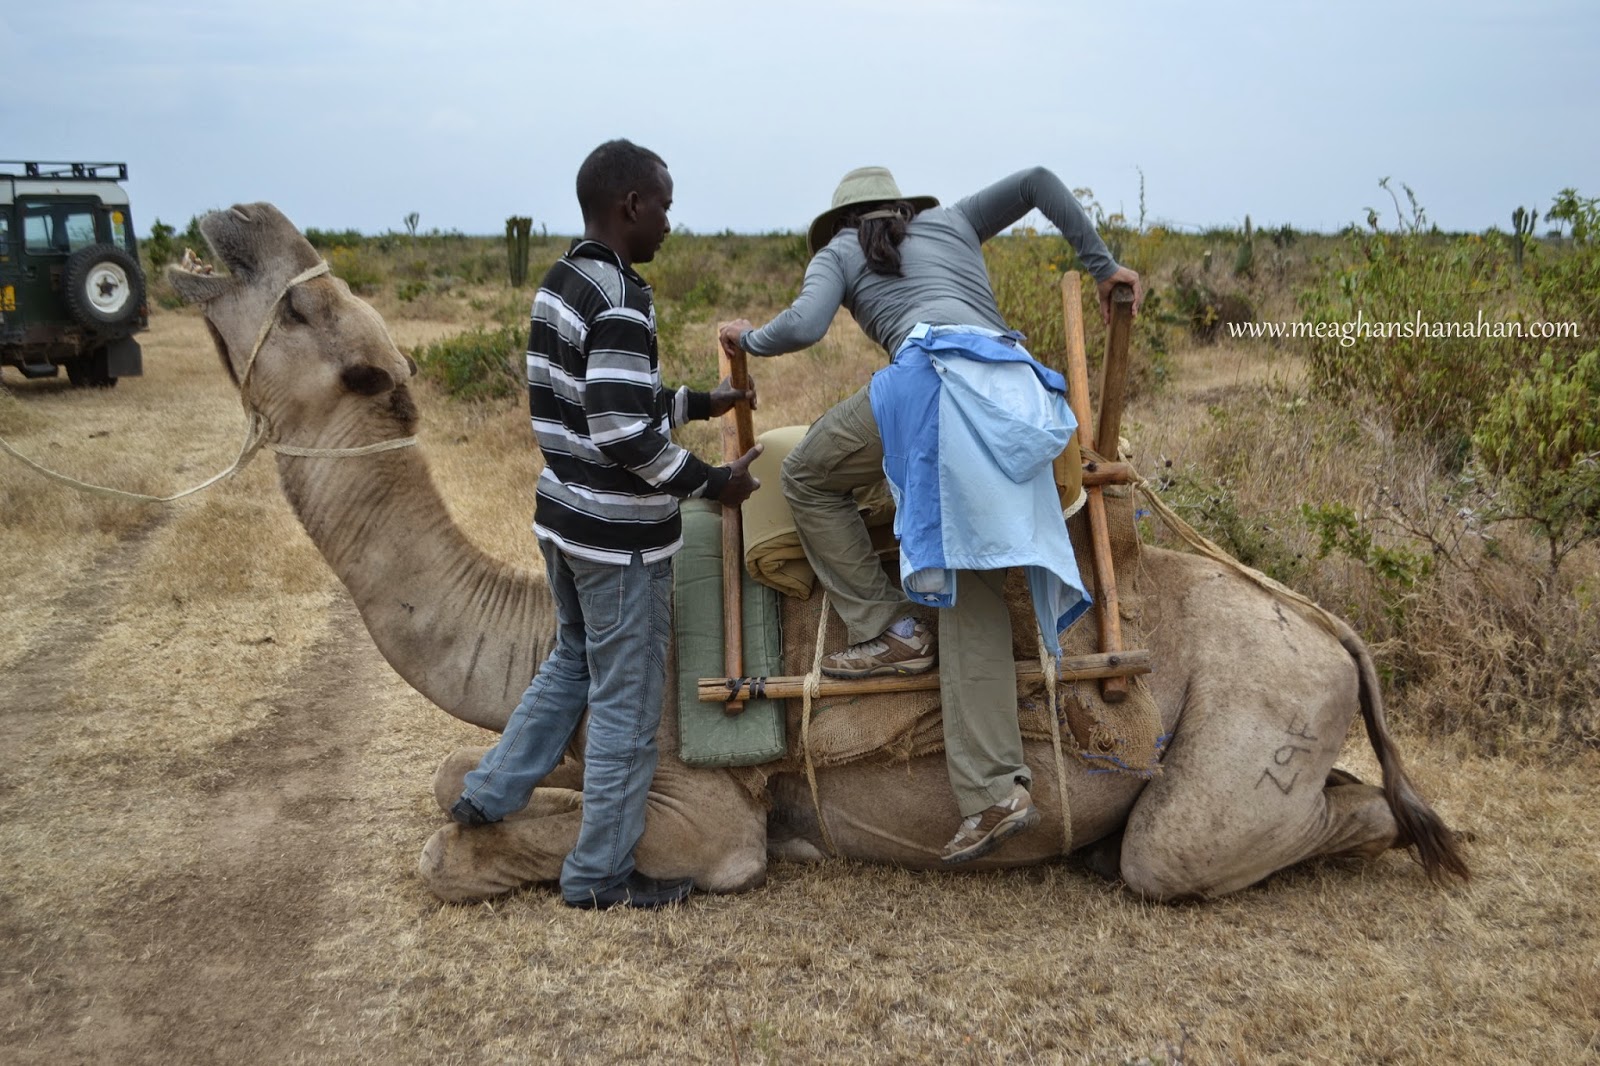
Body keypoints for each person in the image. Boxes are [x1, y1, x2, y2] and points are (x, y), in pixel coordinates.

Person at [719, 165, 1141, 864]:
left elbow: (805, 324)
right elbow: (1038, 180)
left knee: (808, 474)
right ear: (902, 206)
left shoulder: (842, 249)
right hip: (1020, 394)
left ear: (842, 220)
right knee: (972, 574)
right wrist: (1103, 267)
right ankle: (995, 793)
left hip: (933, 380)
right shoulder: (953, 221)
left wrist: (747, 338)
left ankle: (889, 628)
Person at [452, 139, 761, 910]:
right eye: (664, 206)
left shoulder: (563, 281)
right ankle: (598, 876)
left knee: (571, 663)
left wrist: (699, 403)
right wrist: (712, 482)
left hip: (566, 518)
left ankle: (488, 792)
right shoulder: (623, 296)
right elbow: (623, 432)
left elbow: (603, 401)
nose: (669, 223)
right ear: (631, 205)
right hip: (617, 541)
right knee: (626, 705)